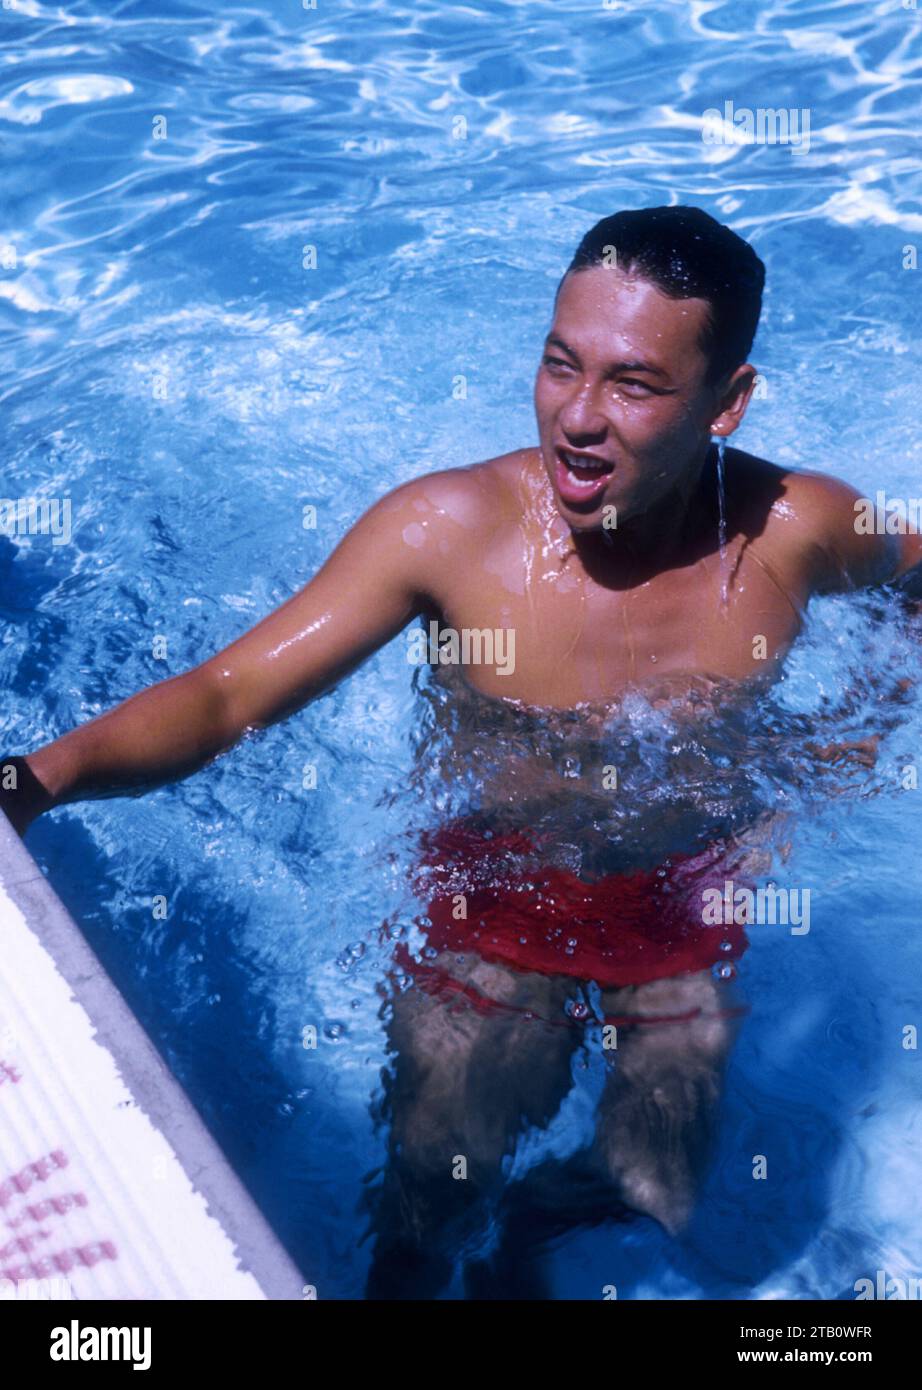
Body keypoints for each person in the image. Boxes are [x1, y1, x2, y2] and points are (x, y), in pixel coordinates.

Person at [3, 206, 920, 1297]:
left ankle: (525, 1250)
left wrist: (859, 732)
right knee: (430, 1203)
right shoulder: (449, 533)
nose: (577, 416)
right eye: (558, 364)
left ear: (726, 403)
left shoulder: (793, 526)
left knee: (650, 1188)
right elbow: (225, 692)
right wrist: (31, 780)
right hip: (493, 923)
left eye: (632, 384)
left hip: (682, 915)